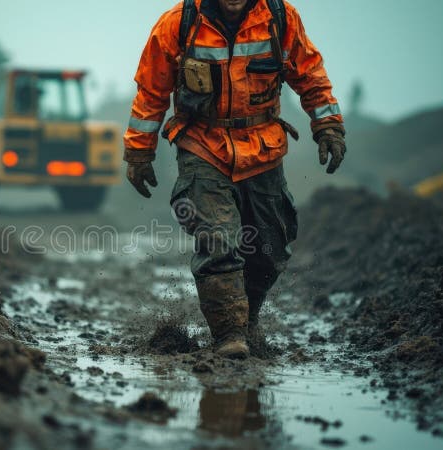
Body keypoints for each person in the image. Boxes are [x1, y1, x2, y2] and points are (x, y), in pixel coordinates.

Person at [124, 0, 346, 358]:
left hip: (263, 148)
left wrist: (328, 125)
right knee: (218, 239)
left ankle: (247, 316)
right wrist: (138, 151)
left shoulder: (279, 18)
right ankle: (229, 335)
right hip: (202, 146)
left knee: (271, 248)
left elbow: (310, 74)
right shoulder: (177, 23)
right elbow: (151, 91)